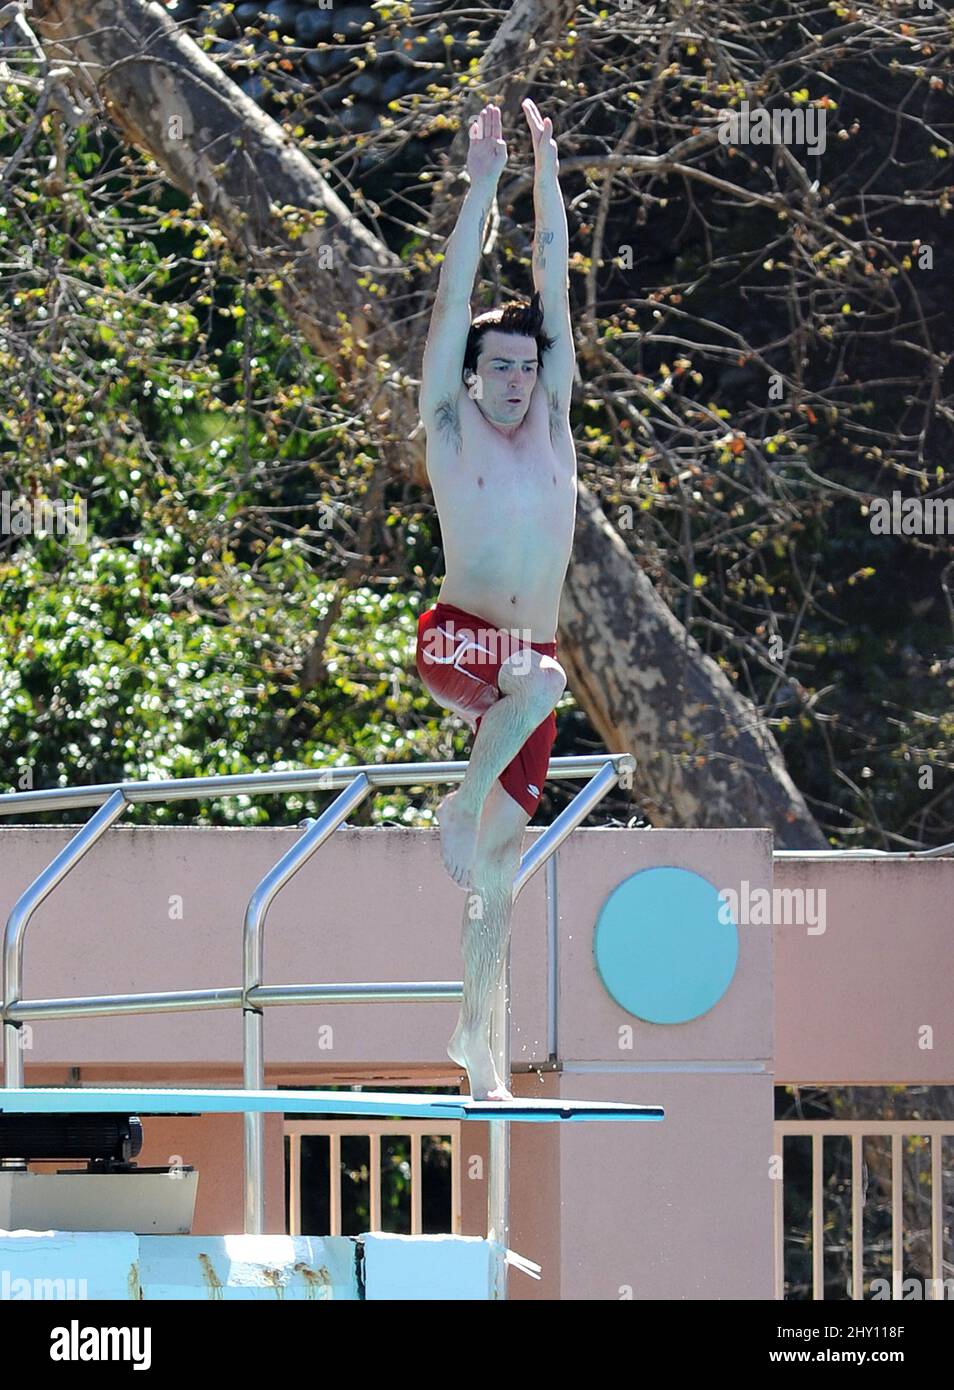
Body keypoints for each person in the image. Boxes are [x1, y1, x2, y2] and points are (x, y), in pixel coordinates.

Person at [415, 100, 578, 1099]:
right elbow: (449, 307)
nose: (517, 381)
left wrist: (549, 170)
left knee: (501, 874)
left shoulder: (557, 426)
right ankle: (458, 801)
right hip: (459, 643)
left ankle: (477, 1042)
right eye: (500, 368)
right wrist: (482, 184)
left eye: (527, 366)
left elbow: (555, 285)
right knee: (544, 675)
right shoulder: (450, 429)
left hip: (531, 679)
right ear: (471, 379)